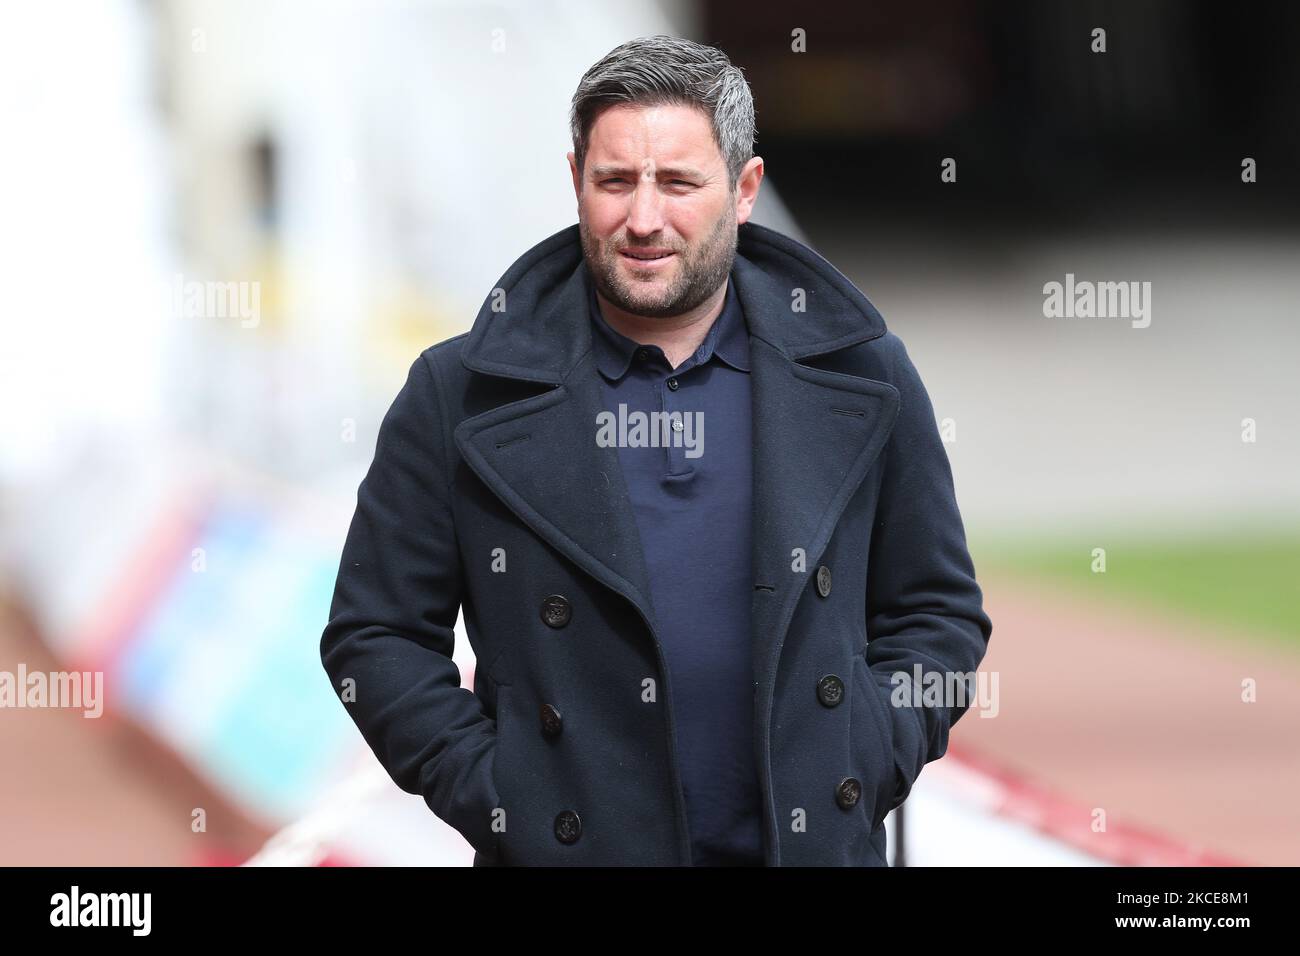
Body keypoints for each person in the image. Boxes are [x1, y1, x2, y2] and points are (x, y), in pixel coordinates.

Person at [320, 34, 992, 866]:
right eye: (615, 182)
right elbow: (374, 635)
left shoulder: (863, 373)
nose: (643, 219)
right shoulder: (456, 392)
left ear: (744, 190)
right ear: (576, 180)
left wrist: (863, 758)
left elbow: (937, 613)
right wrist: (507, 799)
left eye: (678, 183)